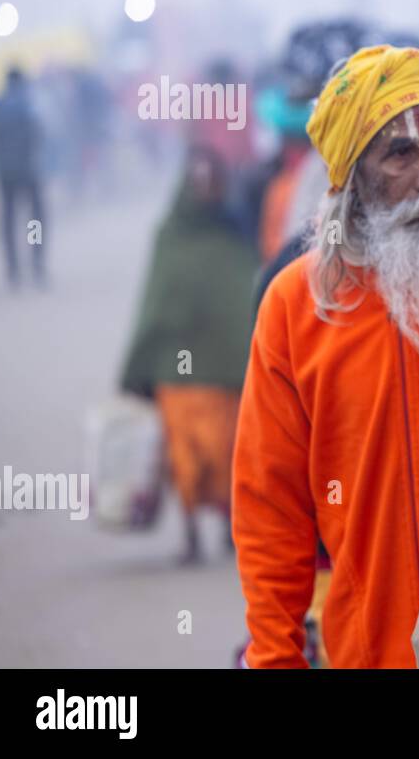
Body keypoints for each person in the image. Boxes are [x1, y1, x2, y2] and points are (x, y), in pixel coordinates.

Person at [232, 45, 419, 668]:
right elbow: (271, 508)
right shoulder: (297, 306)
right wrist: (275, 657)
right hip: (370, 649)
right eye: (401, 152)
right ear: (351, 181)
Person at [119, 144, 258, 563]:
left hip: (227, 372)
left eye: (211, 180)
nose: (205, 188)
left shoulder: (237, 235)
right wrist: (138, 365)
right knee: (183, 457)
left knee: (229, 453)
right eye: (197, 180)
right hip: (176, 374)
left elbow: (249, 301)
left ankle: (229, 526)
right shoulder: (169, 236)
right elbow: (154, 302)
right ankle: (190, 531)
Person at [0, 67, 46, 288]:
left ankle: (13, 268)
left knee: (8, 220)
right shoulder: (28, 104)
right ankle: (36, 262)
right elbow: (39, 134)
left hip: (4, 172)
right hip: (28, 171)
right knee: (34, 219)